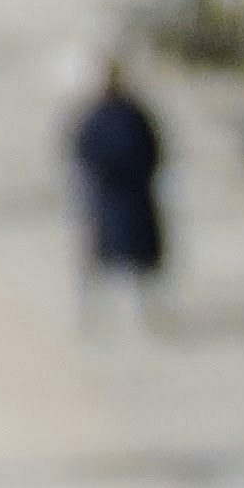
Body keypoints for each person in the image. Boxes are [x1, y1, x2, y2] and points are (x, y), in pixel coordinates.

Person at [67, 58, 169, 330]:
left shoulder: (121, 114)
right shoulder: (116, 115)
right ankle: (92, 319)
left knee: (127, 263)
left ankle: (136, 317)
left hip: (123, 198)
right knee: (109, 262)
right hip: (114, 199)